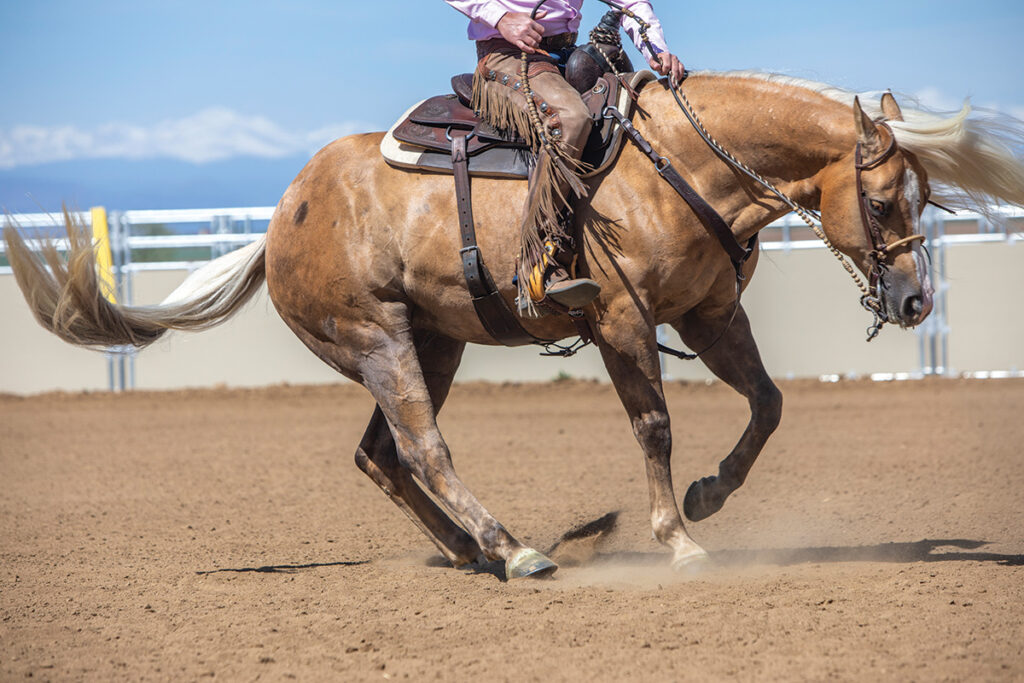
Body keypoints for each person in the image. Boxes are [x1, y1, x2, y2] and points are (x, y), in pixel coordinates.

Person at [444, 1, 684, 317]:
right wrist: (500, 17)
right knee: (571, 119)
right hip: (508, 55)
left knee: (641, 114)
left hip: (568, 54)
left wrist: (655, 47)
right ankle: (536, 259)